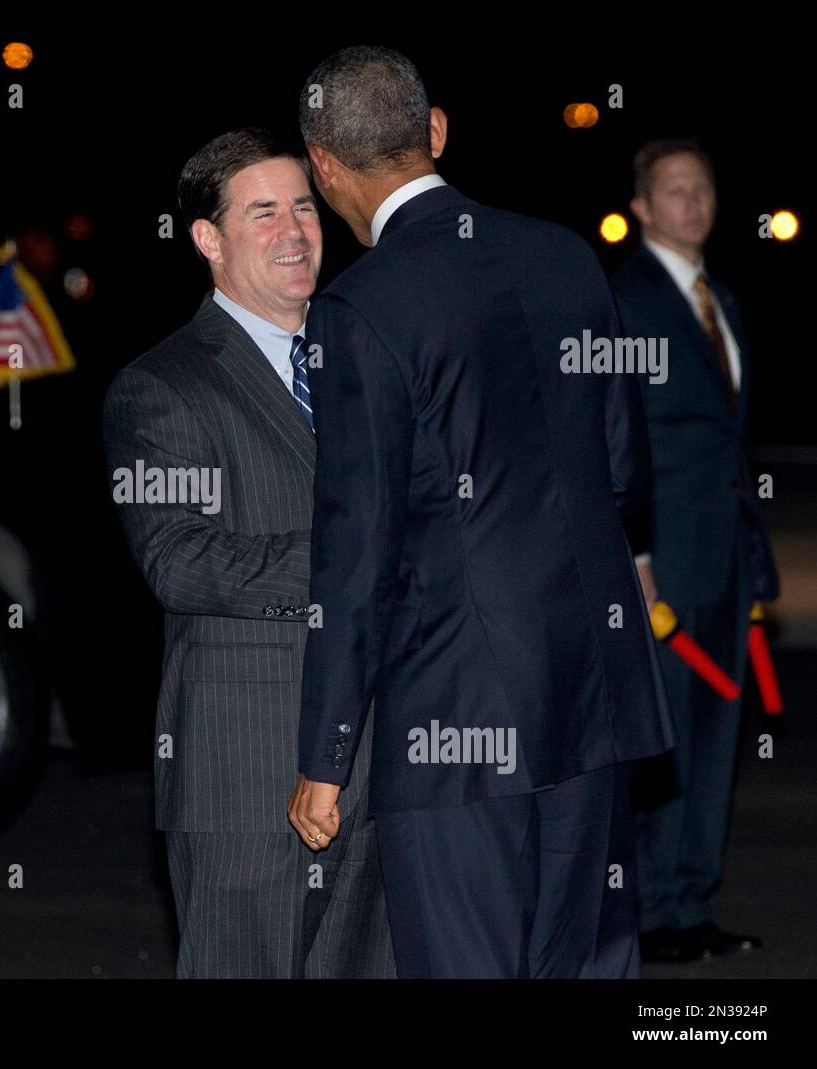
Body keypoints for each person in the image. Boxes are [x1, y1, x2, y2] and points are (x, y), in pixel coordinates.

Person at [288, 46, 675, 978]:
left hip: (457, 714)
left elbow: (358, 545)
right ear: (436, 133)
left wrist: (326, 751)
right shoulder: (567, 255)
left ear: (323, 166)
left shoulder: (358, 307)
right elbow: (624, 469)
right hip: (592, 690)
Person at [103, 128, 392, 978]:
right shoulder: (161, 385)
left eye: (304, 206)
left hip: (380, 758)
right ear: (207, 238)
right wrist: (364, 560)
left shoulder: (369, 362)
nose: (295, 230)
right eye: (263, 212)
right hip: (245, 767)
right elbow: (181, 561)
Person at [611, 140, 777, 963]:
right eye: (675, 190)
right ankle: (648, 912)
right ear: (642, 206)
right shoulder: (625, 300)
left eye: (704, 188)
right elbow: (619, 441)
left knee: (716, 737)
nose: (694, 202)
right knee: (665, 736)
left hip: (725, 556)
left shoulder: (724, 301)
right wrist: (634, 556)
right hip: (663, 561)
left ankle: (689, 900)